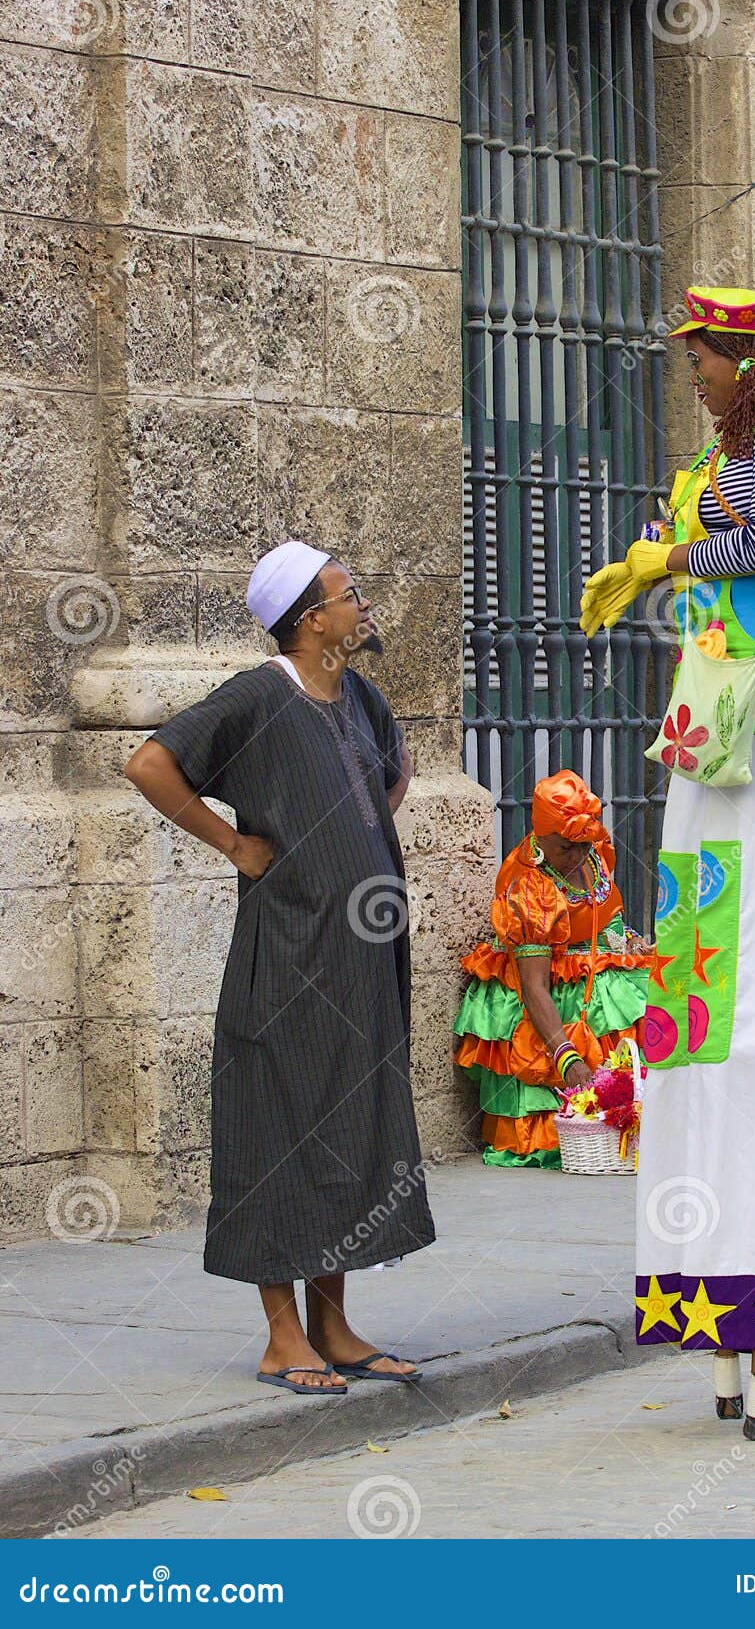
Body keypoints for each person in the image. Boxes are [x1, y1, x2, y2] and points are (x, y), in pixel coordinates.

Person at [582, 285, 755, 1441]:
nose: (687, 372)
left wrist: (660, 557)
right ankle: (704, 1311)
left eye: (696, 356)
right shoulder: (729, 433)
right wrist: (663, 566)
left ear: (739, 351)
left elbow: (754, 545)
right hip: (711, 707)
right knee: (694, 1011)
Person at [124, 542, 435, 1394]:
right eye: (348, 592)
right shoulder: (259, 695)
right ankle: (280, 1337)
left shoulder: (361, 696)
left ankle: (334, 1329)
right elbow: (149, 763)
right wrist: (233, 843)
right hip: (288, 955)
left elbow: (391, 776)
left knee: (352, 1125)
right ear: (309, 619)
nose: (360, 604)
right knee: (280, 1125)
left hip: (364, 957)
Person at [455, 770, 651, 1167]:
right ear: (541, 837)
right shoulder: (530, 888)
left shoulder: (590, 850)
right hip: (545, 989)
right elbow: (534, 987)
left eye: (584, 845)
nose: (578, 856)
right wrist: (566, 1057)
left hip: (599, 965)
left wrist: (629, 946)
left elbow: (606, 914)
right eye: (566, 848)